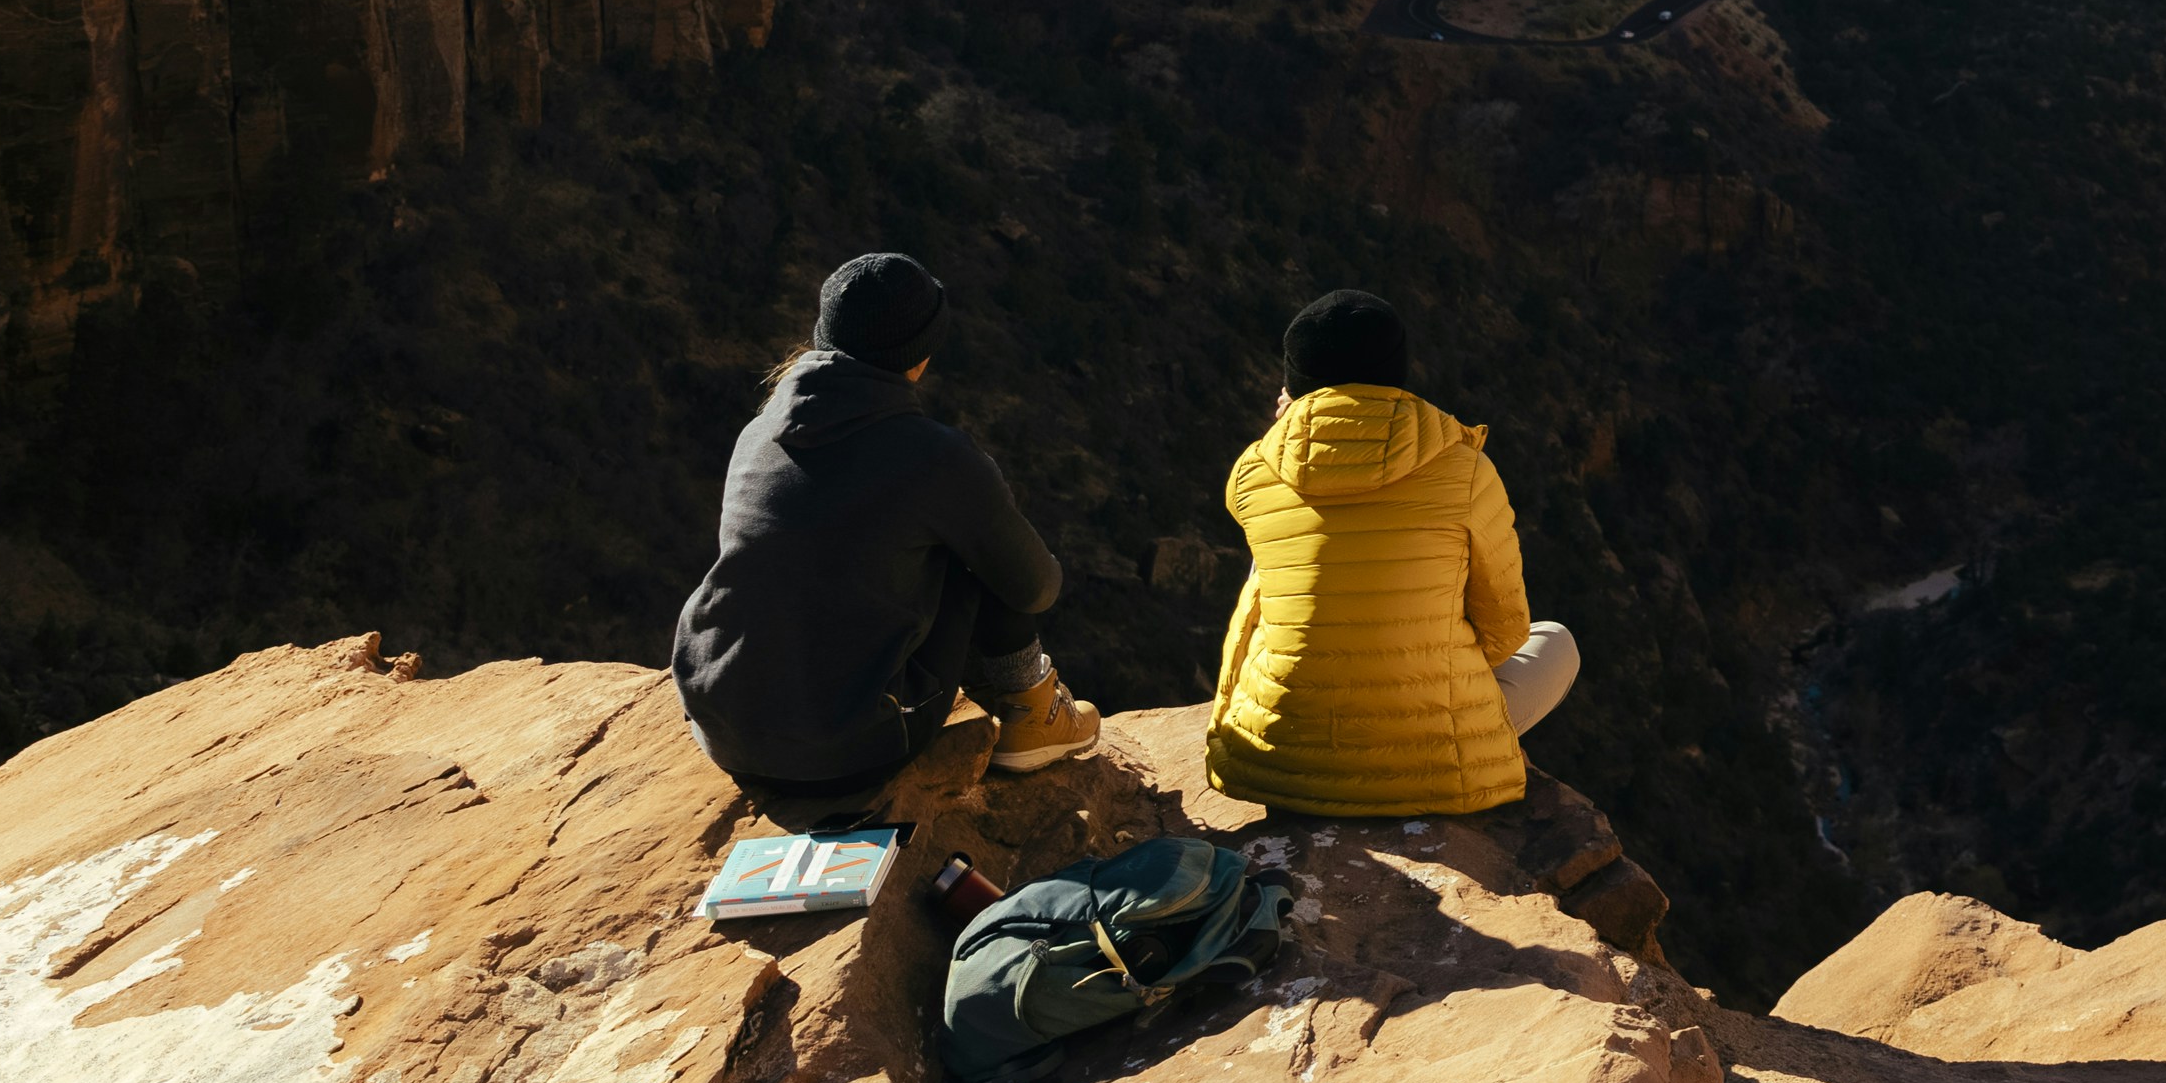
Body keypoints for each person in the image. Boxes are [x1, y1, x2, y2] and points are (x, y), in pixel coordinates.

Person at [673, 252, 1103, 824]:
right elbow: (1035, 588)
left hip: (725, 725)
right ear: (919, 355)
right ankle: (1033, 716)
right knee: (973, 556)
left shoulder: (760, 432)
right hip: (848, 752)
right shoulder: (937, 458)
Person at [1203, 289, 1579, 817]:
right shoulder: (1466, 469)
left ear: (1291, 384)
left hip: (1281, 760)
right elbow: (1506, 633)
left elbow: (1257, 622)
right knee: (1556, 642)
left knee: (1273, 562)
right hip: (1430, 761)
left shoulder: (1252, 473)